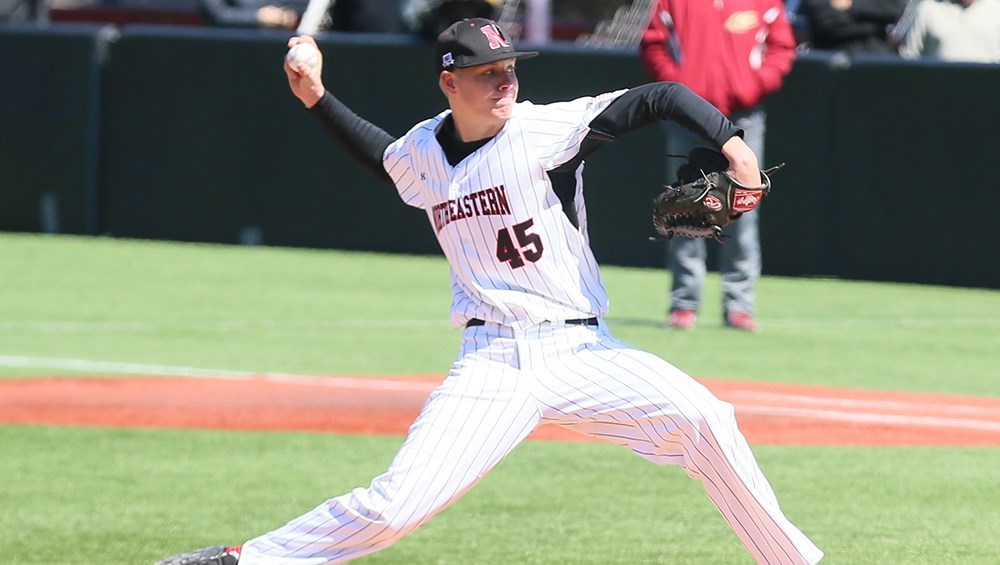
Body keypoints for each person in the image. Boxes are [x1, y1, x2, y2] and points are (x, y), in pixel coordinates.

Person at [155, 17, 824, 565]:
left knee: (708, 420)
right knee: (392, 506)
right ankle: (245, 560)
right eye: (486, 72)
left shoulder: (545, 130)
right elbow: (383, 161)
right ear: (450, 81)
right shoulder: (423, 151)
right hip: (491, 365)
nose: (505, 80)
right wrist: (315, 96)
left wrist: (733, 145)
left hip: (581, 351)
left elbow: (661, 98)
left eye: (510, 67)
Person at [639, 0, 797, 332]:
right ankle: (684, 303)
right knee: (685, 207)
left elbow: (782, 48)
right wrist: (679, 89)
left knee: (744, 206)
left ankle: (739, 304)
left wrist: (752, 85)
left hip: (743, 116)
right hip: (689, 117)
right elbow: (653, 43)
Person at [896, 0, 1000, 62]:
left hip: (987, 95)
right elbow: (908, 57)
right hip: (937, 94)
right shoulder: (927, 8)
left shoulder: (997, 9)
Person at [794, 0, 908, 55]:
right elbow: (824, 19)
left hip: (876, 58)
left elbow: (894, 8)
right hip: (832, 59)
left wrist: (852, 5)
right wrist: (870, 20)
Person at [196, 0, 303, 29]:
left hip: (270, 46)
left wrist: (283, 15)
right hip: (226, 49)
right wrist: (258, 17)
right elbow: (217, 15)